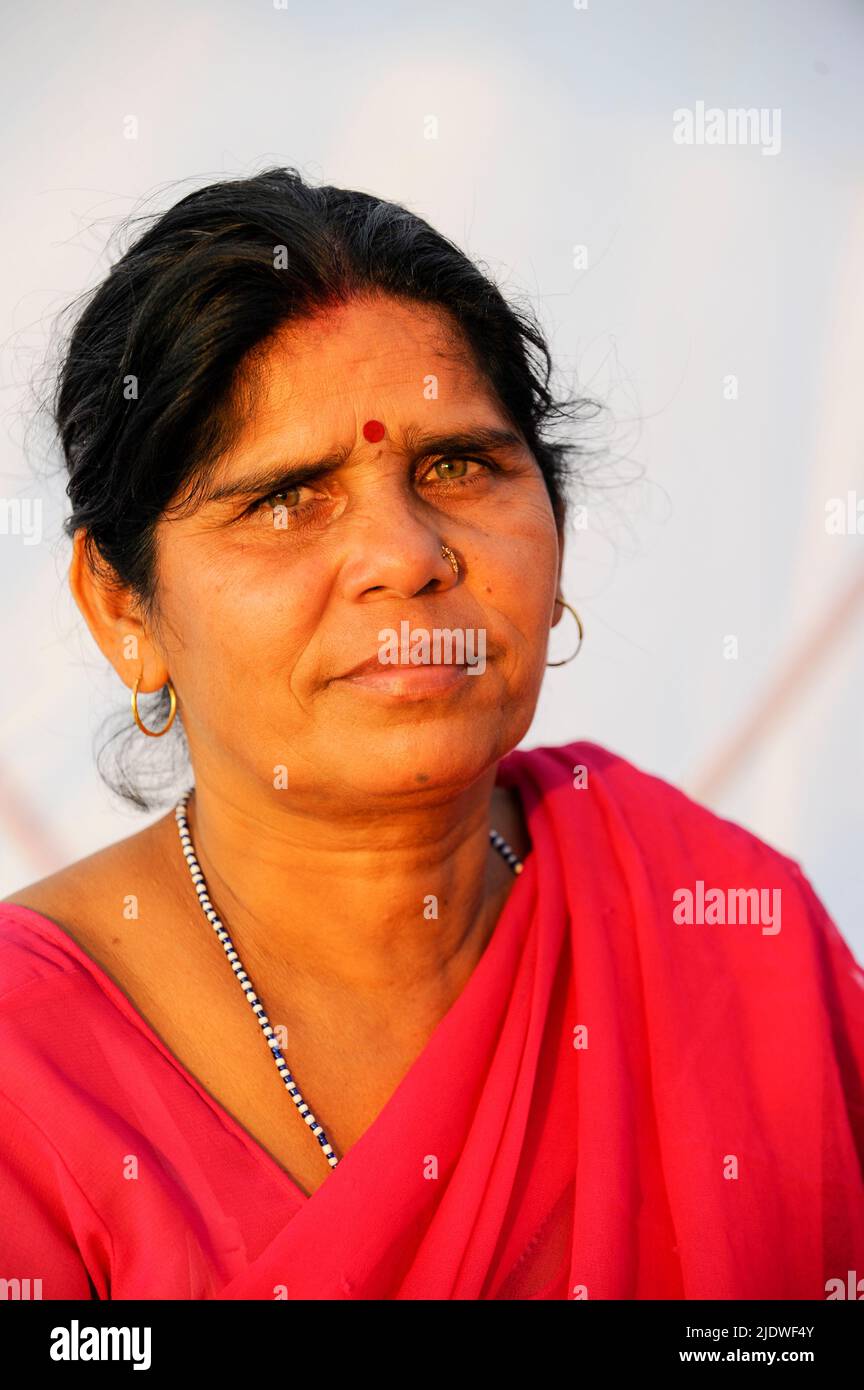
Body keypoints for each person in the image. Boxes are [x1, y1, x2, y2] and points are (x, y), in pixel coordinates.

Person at [1, 168, 862, 1301]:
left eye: (458, 466)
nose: (408, 555)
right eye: (288, 498)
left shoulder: (721, 929)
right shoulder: (30, 1070)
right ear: (124, 608)